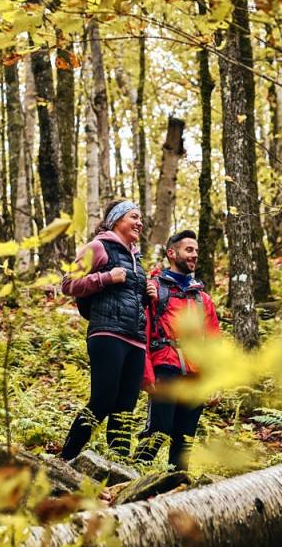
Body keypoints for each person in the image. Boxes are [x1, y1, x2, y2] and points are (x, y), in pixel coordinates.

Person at [59, 199, 151, 460]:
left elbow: (129, 298)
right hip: (107, 334)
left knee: (125, 408)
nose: (139, 223)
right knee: (102, 401)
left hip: (136, 340)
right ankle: (65, 459)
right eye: (134, 216)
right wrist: (106, 277)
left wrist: (147, 294)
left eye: (140, 218)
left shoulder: (136, 258)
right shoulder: (98, 247)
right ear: (116, 220)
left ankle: (118, 468)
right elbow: (68, 284)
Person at [134, 229, 221, 470]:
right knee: (158, 431)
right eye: (189, 250)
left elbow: (213, 342)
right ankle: (131, 479)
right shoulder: (154, 289)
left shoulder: (203, 298)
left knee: (185, 439)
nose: (194, 255)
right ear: (172, 253)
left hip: (196, 375)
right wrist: (147, 373)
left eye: (196, 251)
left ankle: (178, 488)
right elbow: (142, 333)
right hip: (165, 367)